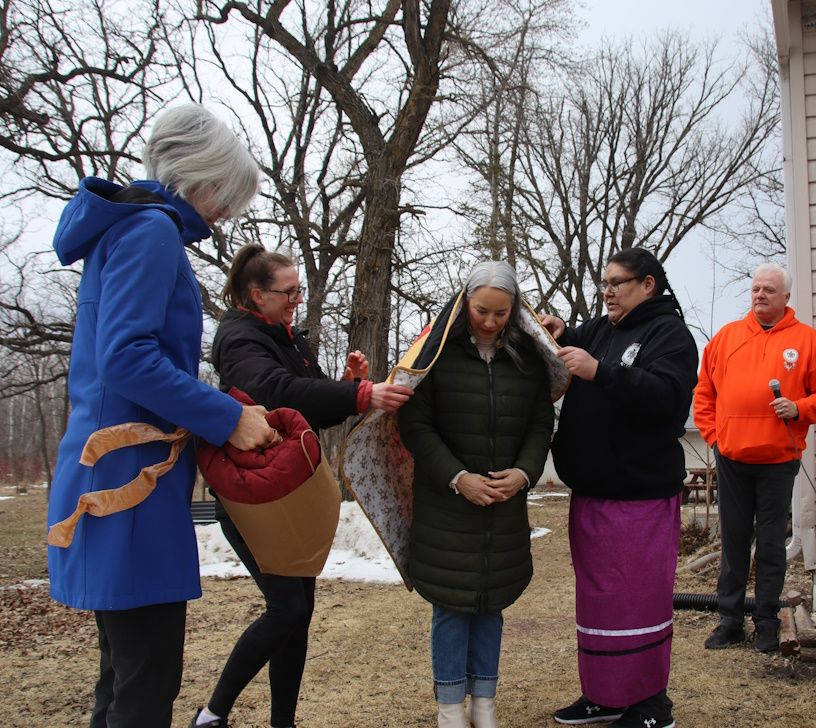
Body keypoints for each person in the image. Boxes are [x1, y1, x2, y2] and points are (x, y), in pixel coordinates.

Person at [46, 104, 279, 728]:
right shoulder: (151, 232)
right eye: (227, 193)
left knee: (124, 680)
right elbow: (126, 360)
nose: (227, 211)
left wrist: (217, 405)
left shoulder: (130, 230)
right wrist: (226, 420)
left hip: (120, 479)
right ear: (202, 178)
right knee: (146, 685)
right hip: (126, 486)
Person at [190, 244, 414, 728]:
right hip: (254, 501)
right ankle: (211, 714)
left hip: (284, 494)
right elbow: (275, 390)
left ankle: (282, 723)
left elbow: (304, 408)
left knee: (296, 611)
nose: (296, 298)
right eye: (287, 291)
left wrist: (347, 383)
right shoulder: (240, 340)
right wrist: (361, 393)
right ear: (257, 295)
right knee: (288, 607)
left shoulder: (285, 335)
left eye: (298, 290)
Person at [540, 248, 698, 728]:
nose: (607, 291)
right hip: (592, 494)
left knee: (637, 600)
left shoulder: (669, 334)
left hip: (640, 497)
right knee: (600, 601)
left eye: (617, 283)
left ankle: (651, 704)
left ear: (647, 285)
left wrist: (599, 372)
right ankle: (604, 695)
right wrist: (557, 328)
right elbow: (570, 336)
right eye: (604, 283)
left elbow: (666, 398)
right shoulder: (604, 327)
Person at [397, 261, 556, 728]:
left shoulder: (528, 359)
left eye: (501, 313)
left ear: (515, 311)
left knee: (493, 602)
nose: (489, 321)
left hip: (504, 504)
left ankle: (484, 704)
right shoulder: (434, 352)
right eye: (481, 310)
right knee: (450, 606)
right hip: (447, 502)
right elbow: (415, 425)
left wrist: (525, 473)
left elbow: (540, 423)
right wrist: (457, 477)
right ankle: (450, 707)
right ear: (464, 302)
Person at [694, 262, 816, 653]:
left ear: (785, 297)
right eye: (756, 289)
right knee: (734, 541)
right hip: (731, 456)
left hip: (778, 459)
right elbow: (704, 394)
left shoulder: (807, 341)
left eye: (769, 290)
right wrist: (715, 437)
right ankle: (729, 620)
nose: (760, 295)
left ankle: (766, 622)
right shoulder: (726, 338)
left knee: (772, 544)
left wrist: (799, 409)